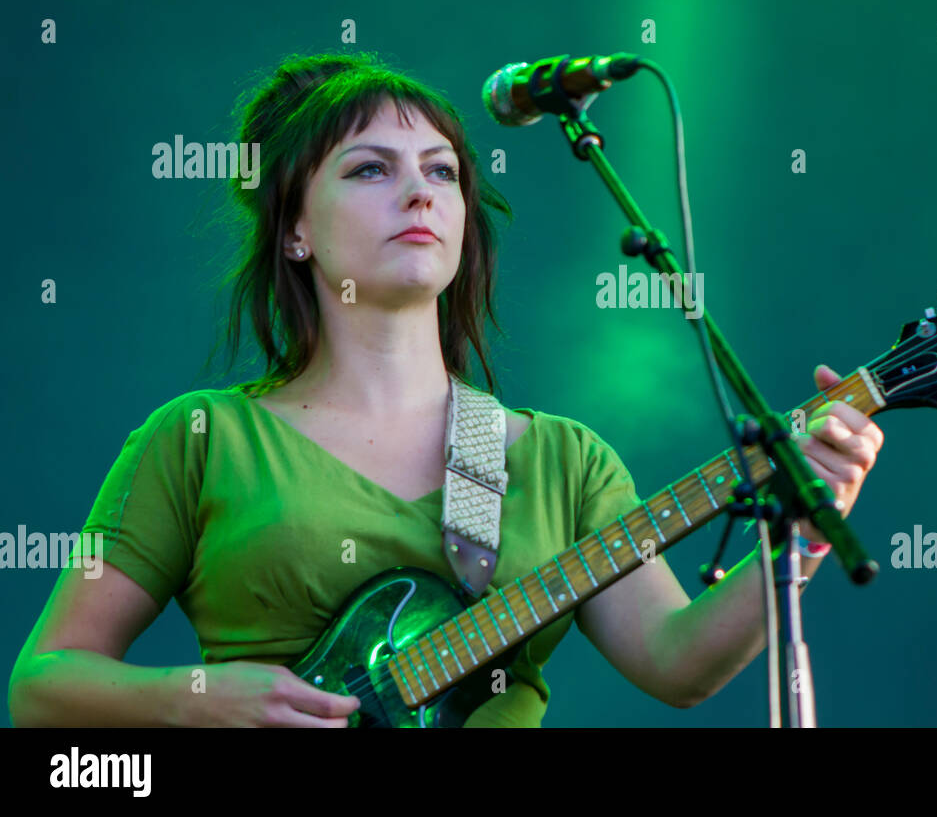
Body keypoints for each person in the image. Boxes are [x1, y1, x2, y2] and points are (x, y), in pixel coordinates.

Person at [8, 52, 883, 727]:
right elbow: (43, 687)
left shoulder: (563, 458)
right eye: (370, 169)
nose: (420, 193)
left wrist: (804, 528)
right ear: (294, 230)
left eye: (442, 171)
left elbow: (679, 663)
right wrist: (194, 697)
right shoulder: (201, 439)